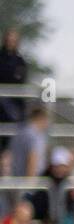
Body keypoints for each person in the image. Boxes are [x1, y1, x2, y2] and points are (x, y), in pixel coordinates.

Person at [0, 28, 27, 156]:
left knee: (13, 142)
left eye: (14, 40)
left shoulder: (20, 61)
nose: (11, 42)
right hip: (2, 108)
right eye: (9, 39)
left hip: (14, 109)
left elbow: (20, 80)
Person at [9, 104, 49, 178]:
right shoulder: (35, 135)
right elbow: (33, 159)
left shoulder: (19, 133)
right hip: (30, 181)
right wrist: (30, 184)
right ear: (41, 118)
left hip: (16, 179)